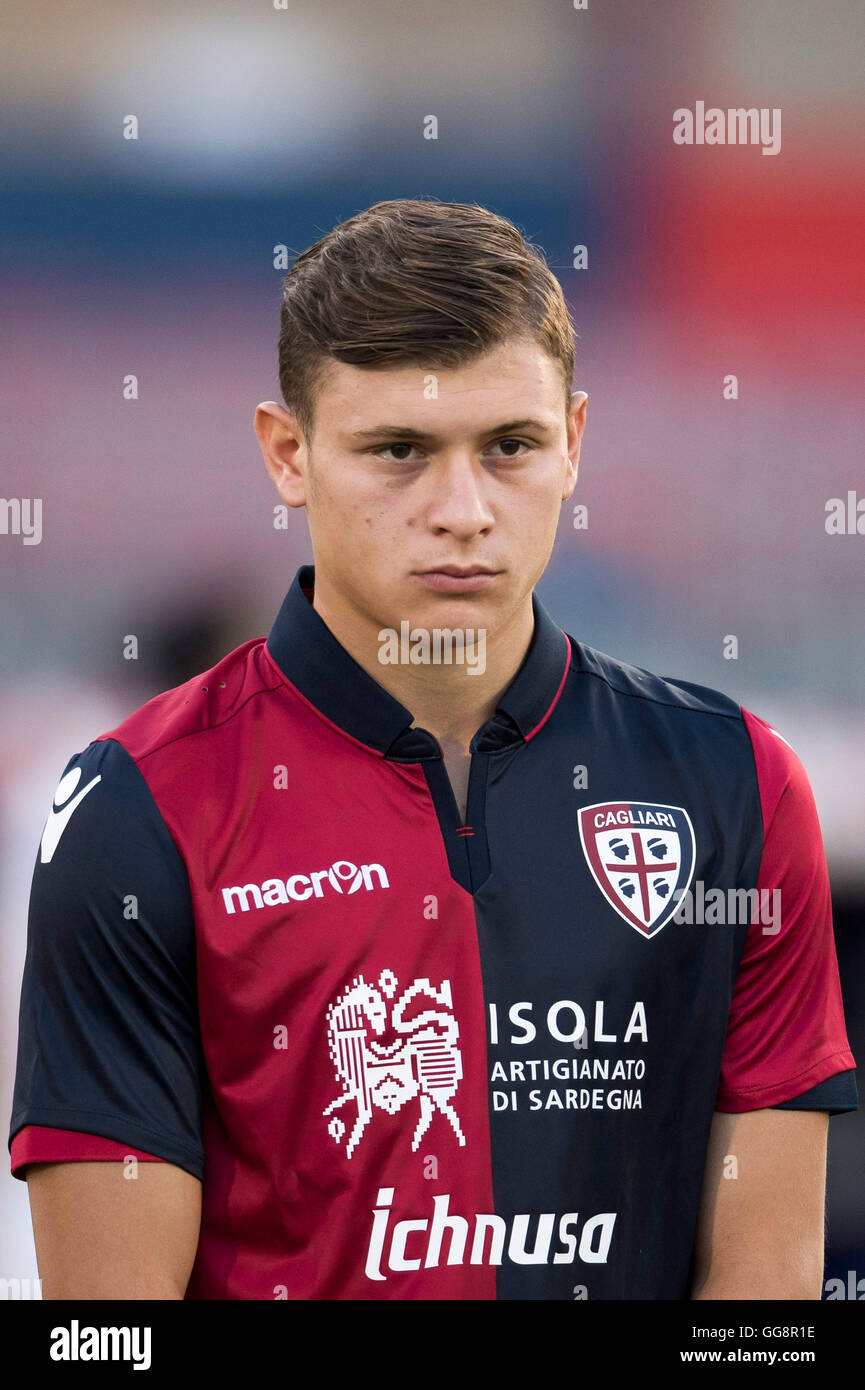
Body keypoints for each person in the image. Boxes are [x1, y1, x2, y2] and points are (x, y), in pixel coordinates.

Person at [8, 198, 857, 1300]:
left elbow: (763, 1307)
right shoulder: (137, 807)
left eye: (509, 445)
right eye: (398, 450)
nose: (462, 508)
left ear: (575, 444)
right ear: (287, 453)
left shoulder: (733, 781)